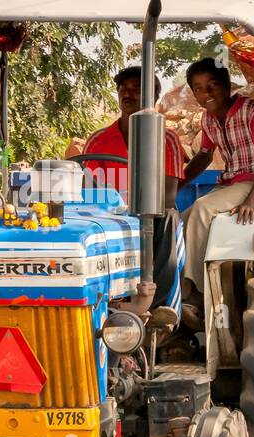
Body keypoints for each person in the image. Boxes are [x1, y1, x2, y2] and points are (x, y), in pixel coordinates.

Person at [80, 65, 189, 317]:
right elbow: (88, 194)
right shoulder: (98, 140)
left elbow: (168, 195)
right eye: (123, 89)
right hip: (110, 219)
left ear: (152, 97)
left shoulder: (166, 139)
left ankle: (159, 306)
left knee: (169, 216)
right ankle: (95, 301)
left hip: (150, 218)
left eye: (136, 90)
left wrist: (135, 209)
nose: (127, 95)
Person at [179, 57, 254, 308]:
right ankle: (176, 283)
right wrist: (176, 184)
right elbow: (203, 156)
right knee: (181, 220)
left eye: (212, 85)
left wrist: (251, 201)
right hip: (232, 185)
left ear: (226, 84)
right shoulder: (209, 119)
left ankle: (194, 291)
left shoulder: (250, 110)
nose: (207, 93)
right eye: (199, 88)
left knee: (202, 208)